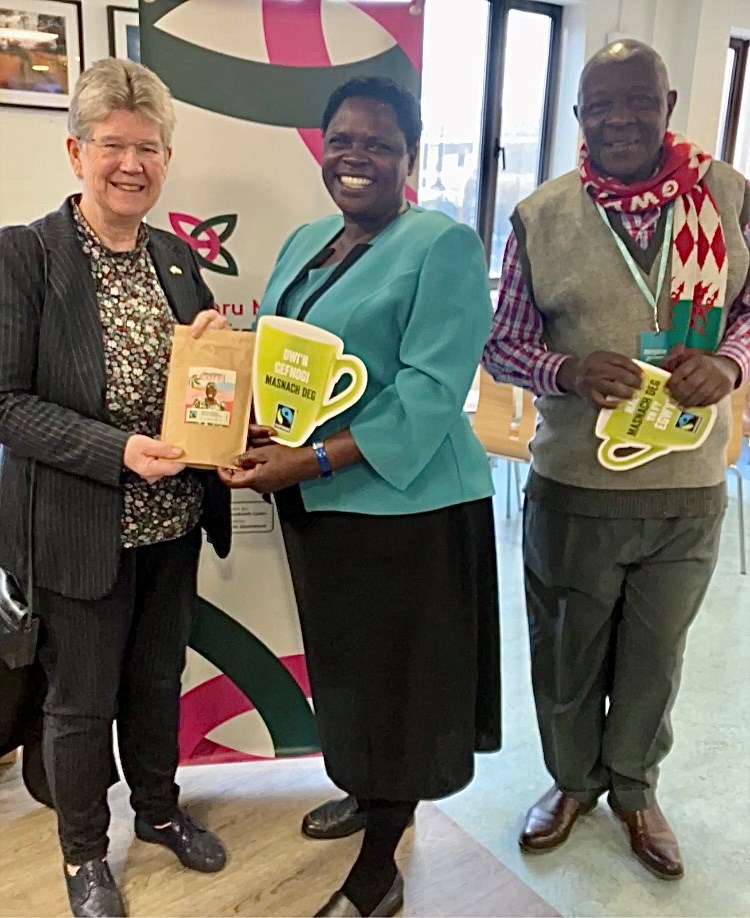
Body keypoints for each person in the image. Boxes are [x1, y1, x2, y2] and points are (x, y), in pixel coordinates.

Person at [221, 77, 501, 917]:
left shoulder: (440, 244)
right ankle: (365, 787)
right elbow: (288, 362)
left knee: (399, 688)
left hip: (408, 511)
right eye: (342, 139)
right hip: (324, 508)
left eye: (378, 144)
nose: (355, 157)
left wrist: (308, 461)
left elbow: (428, 393)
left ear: (408, 157)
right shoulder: (312, 238)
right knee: (347, 674)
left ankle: (379, 869)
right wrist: (261, 419)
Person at [483, 40, 750, 881]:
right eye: (601, 105)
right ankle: (571, 784)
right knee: (566, 647)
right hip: (575, 485)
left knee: (655, 652)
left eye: (637, 101)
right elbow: (502, 345)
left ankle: (635, 789)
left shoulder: (729, 198)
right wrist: (561, 370)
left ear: (668, 105)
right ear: (578, 118)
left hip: (687, 488)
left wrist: (732, 361)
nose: (620, 119)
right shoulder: (542, 215)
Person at [0, 59, 232, 917]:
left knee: (157, 683)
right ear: (75, 152)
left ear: (167, 158)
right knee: (78, 701)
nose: (132, 163)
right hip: (78, 524)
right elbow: (6, 404)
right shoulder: (26, 255)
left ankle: (161, 814)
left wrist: (213, 354)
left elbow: (198, 387)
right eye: (113, 146)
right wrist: (118, 450)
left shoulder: (175, 259)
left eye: (149, 147)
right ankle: (84, 856)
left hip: (170, 523)